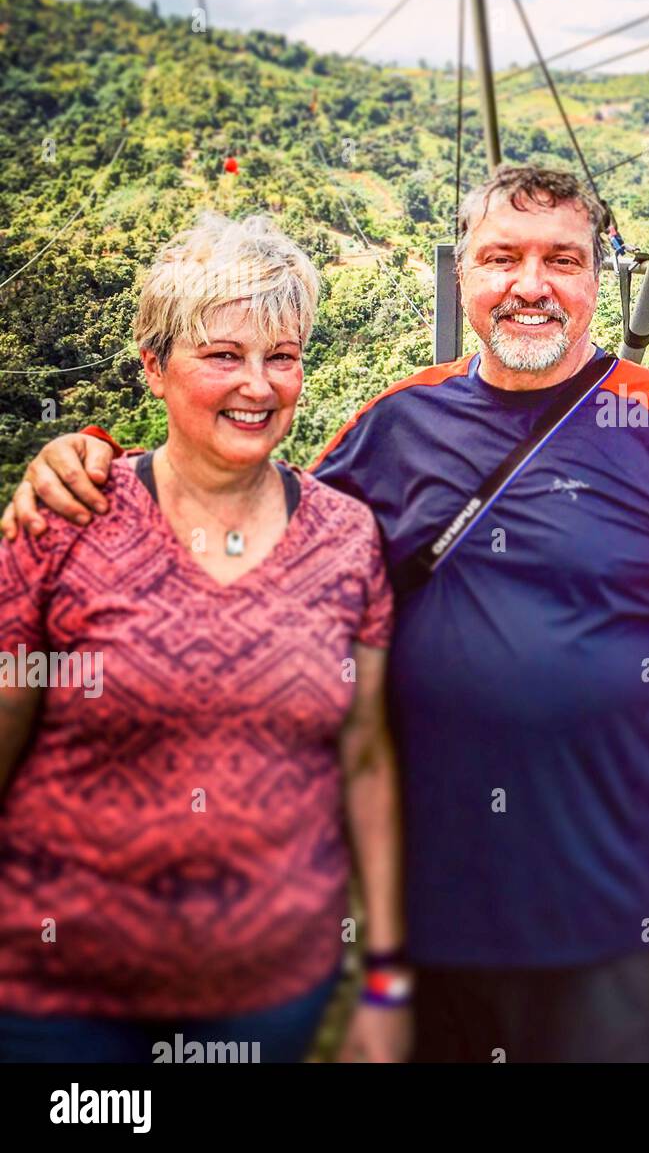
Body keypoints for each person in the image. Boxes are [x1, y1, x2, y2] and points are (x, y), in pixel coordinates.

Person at [4, 166, 649, 1064]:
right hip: (435, 907)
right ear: (463, 273)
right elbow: (253, 501)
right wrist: (97, 462)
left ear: (595, 278)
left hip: (608, 903)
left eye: (561, 260)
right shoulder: (399, 423)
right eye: (502, 257)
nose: (530, 285)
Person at [0, 213, 407, 1064]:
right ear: (153, 367)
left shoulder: (345, 538)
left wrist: (384, 976)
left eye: (281, 357)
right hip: (55, 998)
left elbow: (365, 756)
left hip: (266, 997)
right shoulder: (64, 520)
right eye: (223, 355)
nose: (257, 385)